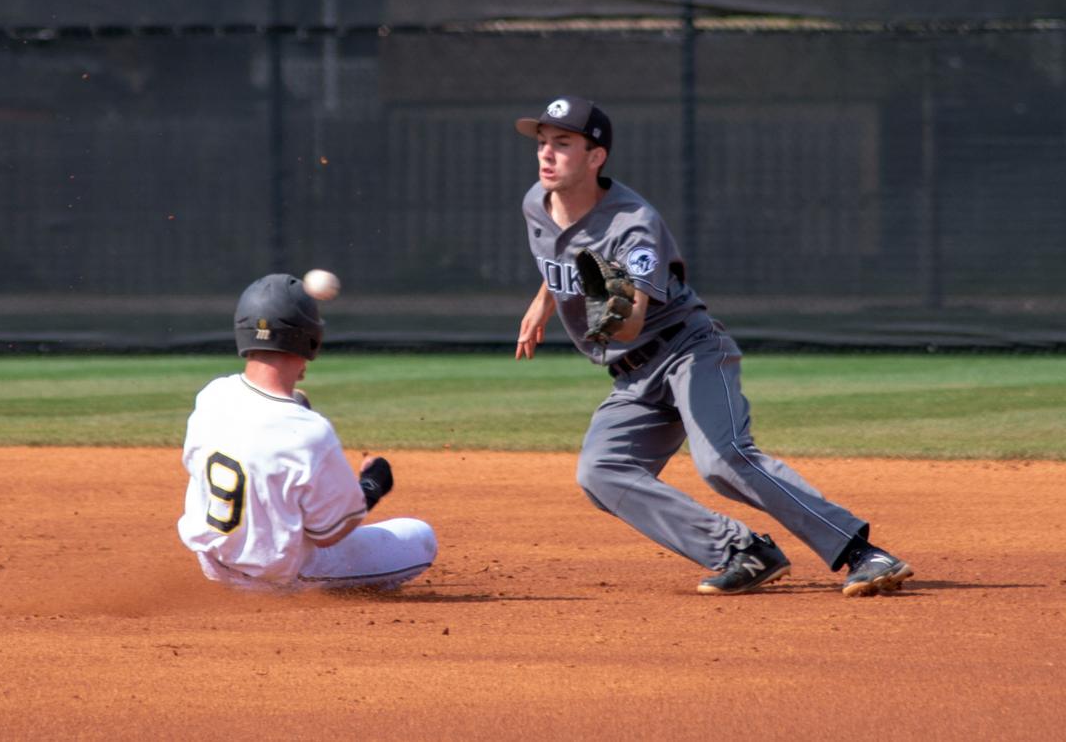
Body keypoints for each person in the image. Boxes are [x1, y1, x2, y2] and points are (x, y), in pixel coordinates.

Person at [513, 95, 913, 597]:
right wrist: (543, 303)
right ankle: (741, 552)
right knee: (602, 471)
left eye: (564, 144)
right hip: (633, 377)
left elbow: (632, 323)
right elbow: (564, 249)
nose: (546, 155)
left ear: (596, 157)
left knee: (722, 460)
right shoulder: (537, 202)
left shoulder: (633, 225)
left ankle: (862, 552)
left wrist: (611, 312)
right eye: (543, 143)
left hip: (687, 351)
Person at [178, 273, 437, 592]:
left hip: (214, 565)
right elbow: (329, 533)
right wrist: (373, 483)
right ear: (309, 337)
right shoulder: (309, 433)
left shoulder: (212, 396)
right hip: (279, 577)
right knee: (421, 536)